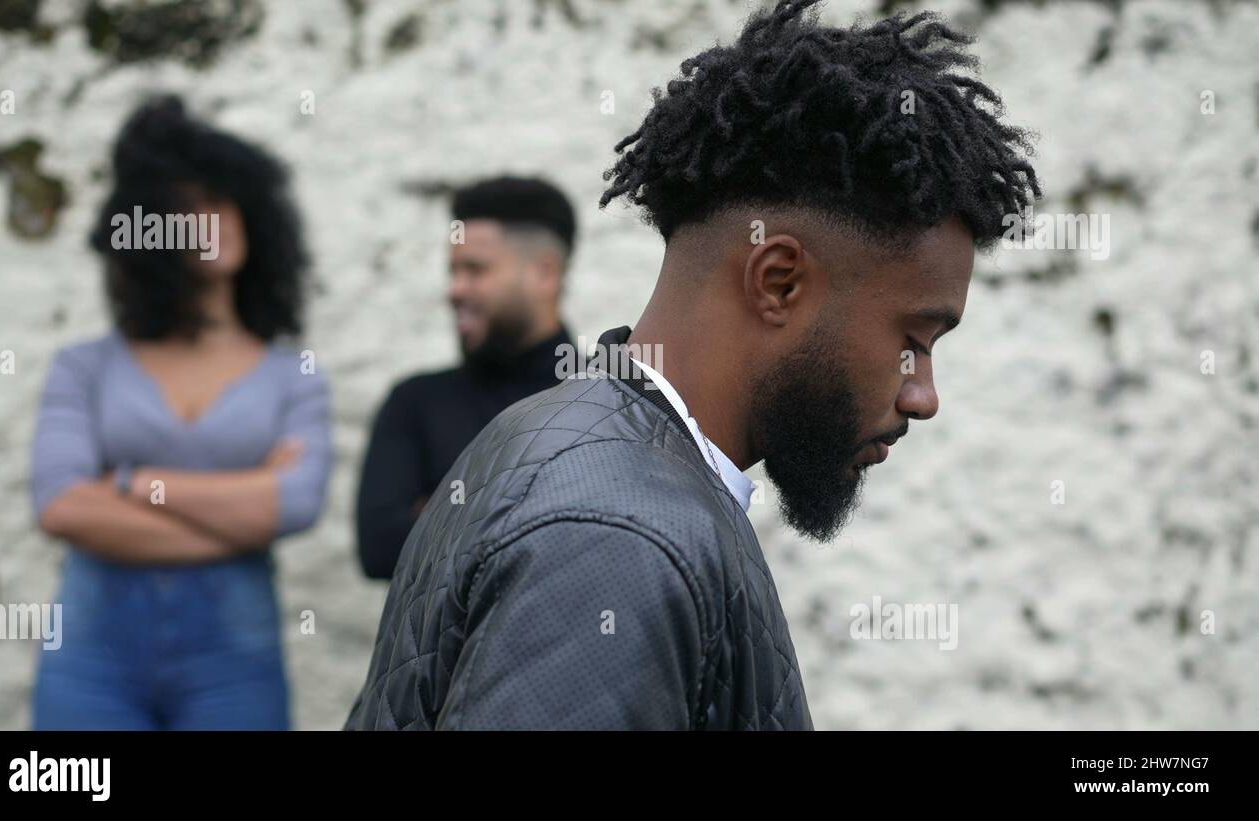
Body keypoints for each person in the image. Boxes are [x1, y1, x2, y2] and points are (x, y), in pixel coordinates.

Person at [345, 0, 1039, 730]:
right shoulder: (613, 533)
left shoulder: (580, 448)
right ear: (778, 281)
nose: (923, 394)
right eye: (916, 339)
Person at [30, 96, 332, 730]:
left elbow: (299, 502)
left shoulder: (292, 375)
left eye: (222, 201)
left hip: (234, 658)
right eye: (187, 209)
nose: (212, 220)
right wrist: (244, 508)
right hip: (92, 656)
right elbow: (60, 503)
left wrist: (129, 484)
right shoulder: (84, 366)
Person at [355, 176, 576, 579]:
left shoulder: (602, 395)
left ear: (545, 274)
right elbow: (381, 548)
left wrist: (442, 508)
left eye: (475, 270)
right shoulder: (416, 401)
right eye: (452, 271)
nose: (455, 290)